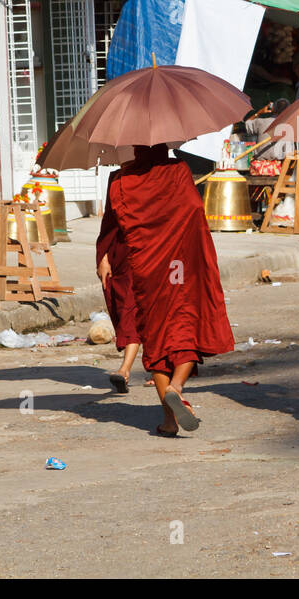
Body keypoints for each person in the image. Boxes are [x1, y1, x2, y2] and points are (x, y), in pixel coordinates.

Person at [105, 144, 234, 436]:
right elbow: (193, 210)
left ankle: (169, 420)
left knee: (157, 339)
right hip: (179, 265)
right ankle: (177, 386)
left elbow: (116, 229)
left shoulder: (121, 181)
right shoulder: (177, 171)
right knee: (184, 326)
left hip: (147, 273)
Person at [95, 174, 141, 394]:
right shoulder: (117, 179)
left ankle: (125, 369)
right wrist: (103, 256)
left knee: (138, 311)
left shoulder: (165, 175)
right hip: (121, 254)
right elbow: (108, 223)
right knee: (126, 309)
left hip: (153, 254)